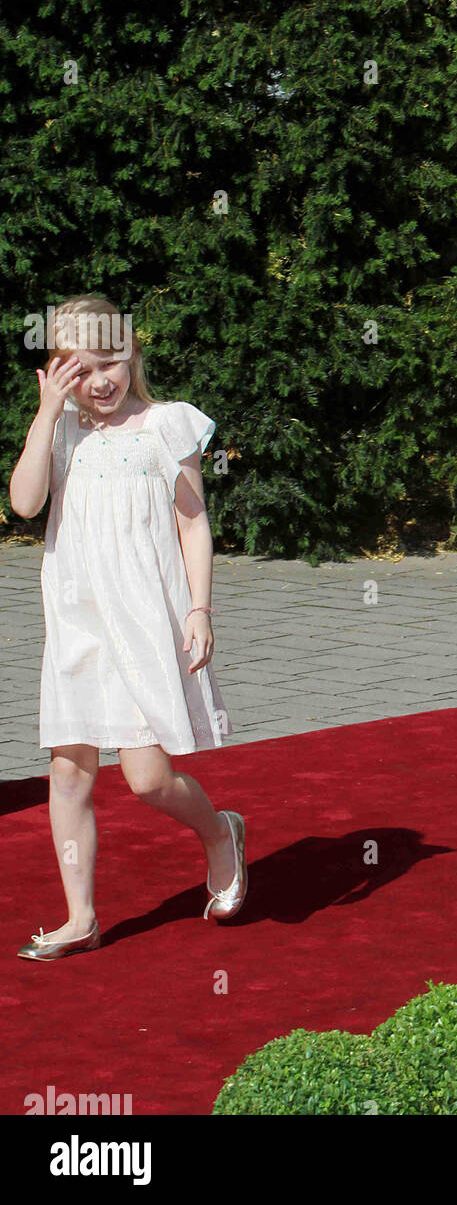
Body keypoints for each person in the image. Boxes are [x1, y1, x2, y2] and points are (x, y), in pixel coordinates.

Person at [10, 295, 246, 960]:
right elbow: (25, 502)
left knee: (146, 778)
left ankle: (220, 831)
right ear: (58, 372)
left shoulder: (167, 426)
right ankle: (80, 916)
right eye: (80, 371)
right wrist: (46, 413)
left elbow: (193, 521)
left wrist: (200, 608)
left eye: (111, 362)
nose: (101, 381)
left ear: (133, 353)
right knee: (69, 772)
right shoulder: (59, 432)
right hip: (78, 622)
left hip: (146, 622)